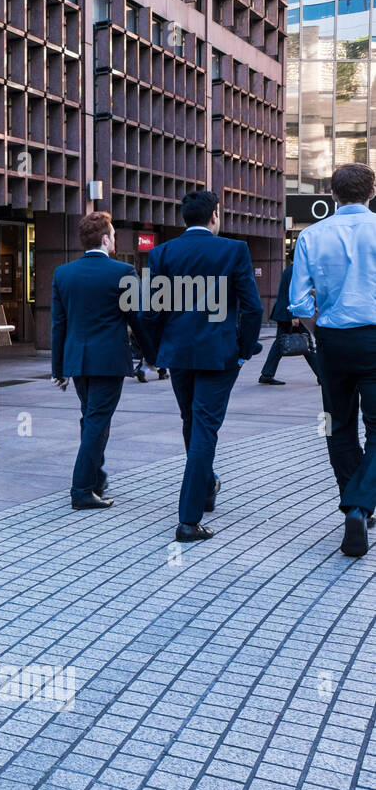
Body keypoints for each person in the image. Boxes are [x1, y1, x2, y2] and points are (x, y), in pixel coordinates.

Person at [141, 189, 263, 543]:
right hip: (219, 353)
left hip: (179, 354)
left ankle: (207, 486)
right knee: (205, 428)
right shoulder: (233, 250)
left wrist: (157, 352)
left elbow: (150, 311)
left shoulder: (163, 253)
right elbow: (252, 308)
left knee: (192, 422)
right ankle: (188, 519)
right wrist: (243, 350)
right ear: (214, 216)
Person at [289, 162, 376, 556]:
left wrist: (316, 331)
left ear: (333, 194)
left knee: (335, 424)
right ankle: (359, 503)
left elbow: (298, 300)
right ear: (372, 192)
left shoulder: (312, 234)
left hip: (332, 339)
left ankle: (354, 500)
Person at [51, 211, 152, 510]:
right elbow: (138, 319)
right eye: (114, 236)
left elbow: (58, 325)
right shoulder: (122, 272)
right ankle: (82, 489)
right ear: (106, 239)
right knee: (97, 421)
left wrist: (58, 369)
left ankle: (94, 478)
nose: (115, 242)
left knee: (91, 418)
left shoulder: (62, 274)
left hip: (77, 361)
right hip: (108, 361)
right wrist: (154, 356)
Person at [258, 259, 319, 386]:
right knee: (306, 344)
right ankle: (322, 376)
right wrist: (295, 315)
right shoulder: (296, 271)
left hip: (286, 312)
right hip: (291, 313)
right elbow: (293, 294)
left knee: (282, 343)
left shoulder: (289, 270)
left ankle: (267, 374)